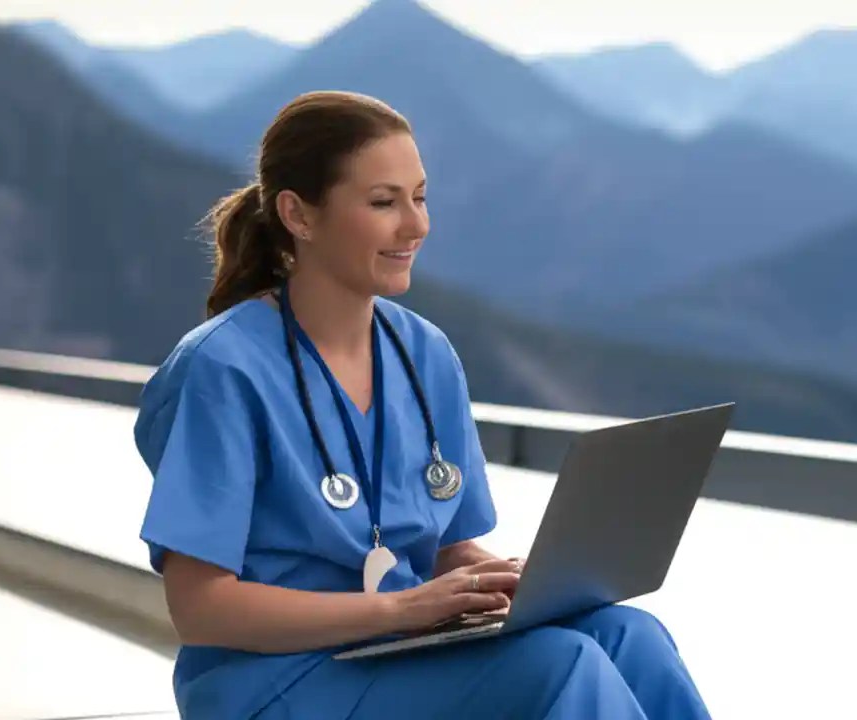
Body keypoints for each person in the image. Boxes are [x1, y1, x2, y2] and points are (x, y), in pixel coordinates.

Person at [133, 91, 711, 719]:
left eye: (420, 197)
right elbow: (200, 608)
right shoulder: (222, 368)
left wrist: (520, 584)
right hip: (276, 681)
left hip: (397, 649)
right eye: (384, 202)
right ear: (298, 214)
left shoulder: (425, 354)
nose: (416, 225)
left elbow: (446, 550)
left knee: (631, 637)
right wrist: (400, 608)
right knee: (560, 665)